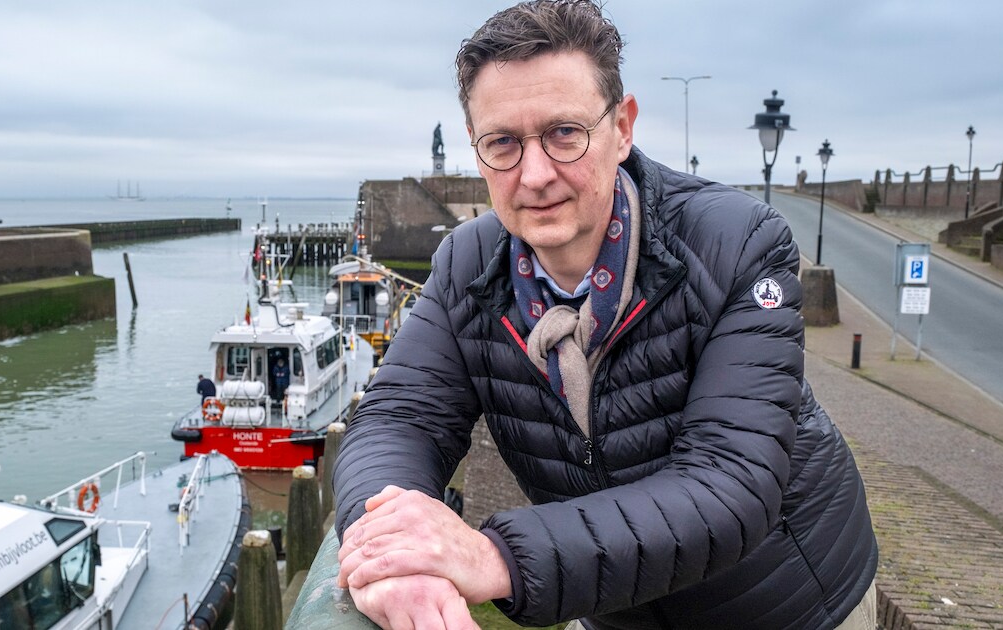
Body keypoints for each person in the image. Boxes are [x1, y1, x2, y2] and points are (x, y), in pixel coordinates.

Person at [333, 1, 878, 628]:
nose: (534, 174)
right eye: (503, 143)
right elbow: (397, 419)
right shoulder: (467, 265)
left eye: (564, 133)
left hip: (787, 603)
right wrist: (387, 553)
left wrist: (493, 555)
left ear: (622, 127)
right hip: (610, 601)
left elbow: (732, 484)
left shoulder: (737, 244)